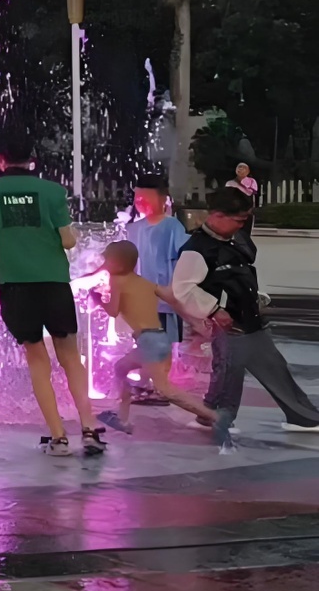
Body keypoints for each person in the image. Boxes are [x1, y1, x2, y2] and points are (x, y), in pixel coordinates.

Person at [0, 129, 96, 458]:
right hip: (53, 283)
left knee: (37, 360)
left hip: (16, 287)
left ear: (0, 160)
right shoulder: (52, 192)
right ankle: (89, 429)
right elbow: (68, 240)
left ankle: (58, 438)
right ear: (32, 159)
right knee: (71, 358)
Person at [171, 186, 319, 449]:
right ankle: (213, 418)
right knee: (229, 373)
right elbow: (182, 288)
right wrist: (214, 310)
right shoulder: (196, 249)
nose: (243, 225)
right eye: (239, 220)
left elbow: (241, 274)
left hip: (250, 321)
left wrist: (255, 296)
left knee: (274, 368)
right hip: (227, 325)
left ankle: (303, 417)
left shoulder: (235, 241)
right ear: (217, 215)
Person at [92, 240, 214, 433]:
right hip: (159, 338)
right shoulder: (144, 282)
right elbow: (173, 299)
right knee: (121, 367)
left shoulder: (117, 280)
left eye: (108, 259)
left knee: (165, 389)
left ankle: (215, 417)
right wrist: (196, 320)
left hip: (149, 341)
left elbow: (113, 311)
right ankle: (121, 417)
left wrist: (97, 298)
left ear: (120, 263)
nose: (104, 262)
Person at [121, 177, 191, 407]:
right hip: (141, 299)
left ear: (163, 200)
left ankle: (161, 387)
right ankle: (146, 382)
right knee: (145, 341)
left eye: (146, 197)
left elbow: (184, 258)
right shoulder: (135, 229)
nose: (140, 202)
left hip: (164, 297)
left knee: (164, 341)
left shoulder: (172, 227)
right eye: (137, 197)